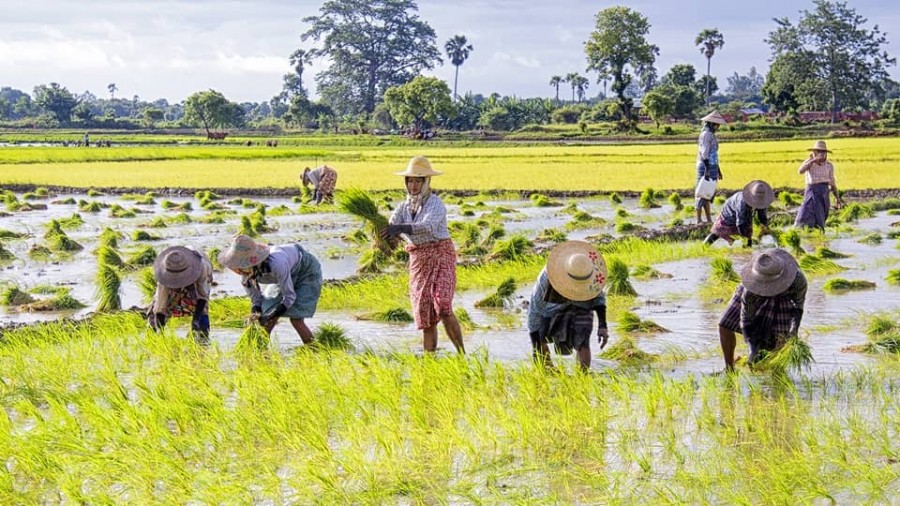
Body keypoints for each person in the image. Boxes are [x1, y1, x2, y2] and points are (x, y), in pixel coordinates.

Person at [381, 155, 465, 354]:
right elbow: (391, 226)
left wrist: (401, 228)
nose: (413, 185)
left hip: (440, 254)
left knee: (443, 305)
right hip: (418, 259)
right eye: (410, 180)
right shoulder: (403, 207)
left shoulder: (435, 203)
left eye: (418, 180)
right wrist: (385, 235)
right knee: (424, 311)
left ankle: (462, 354)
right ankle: (429, 358)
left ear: (427, 182)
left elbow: (427, 226)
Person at [219, 235, 323, 344]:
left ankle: (314, 349)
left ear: (248, 264)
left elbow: (289, 296)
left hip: (305, 271)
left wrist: (272, 315)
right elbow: (256, 299)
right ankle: (260, 350)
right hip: (283, 276)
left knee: (296, 320)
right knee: (266, 316)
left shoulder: (276, 264)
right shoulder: (246, 276)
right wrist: (256, 315)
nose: (233, 269)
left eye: (235, 265)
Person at [718, 248, 807, 370]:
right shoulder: (750, 288)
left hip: (783, 299)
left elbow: (798, 306)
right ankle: (729, 369)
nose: (768, 288)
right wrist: (752, 349)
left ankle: (776, 374)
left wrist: (794, 330)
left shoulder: (797, 281)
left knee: (780, 339)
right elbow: (746, 320)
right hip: (754, 295)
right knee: (724, 325)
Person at [526, 240, 609, 371]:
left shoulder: (590, 274)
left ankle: (583, 376)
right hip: (551, 308)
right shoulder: (547, 281)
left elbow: (599, 299)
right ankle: (547, 371)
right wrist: (537, 343)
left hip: (582, 305)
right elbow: (534, 315)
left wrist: (603, 326)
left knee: (582, 340)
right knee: (540, 336)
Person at [148, 246, 214, 342]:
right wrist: (160, 331)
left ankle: (203, 337)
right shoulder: (163, 275)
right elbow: (160, 304)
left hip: (199, 279)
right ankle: (152, 335)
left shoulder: (201, 267)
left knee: (202, 313)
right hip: (172, 283)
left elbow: (202, 296)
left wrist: (195, 320)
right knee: (156, 311)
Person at [704, 180, 775, 247]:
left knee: (748, 232)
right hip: (729, 211)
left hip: (743, 213)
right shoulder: (742, 203)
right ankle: (704, 247)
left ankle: (747, 252)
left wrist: (765, 227)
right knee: (718, 231)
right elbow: (741, 224)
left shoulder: (762, 202)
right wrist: (746, 239)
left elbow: (762, 217)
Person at [794, 140, 843, 230]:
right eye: (819, 151)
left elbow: (832, 183)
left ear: (826, 153)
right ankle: (802, 233)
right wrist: (813, 160)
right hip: (812, 193)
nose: (821, 153)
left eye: (823, 151)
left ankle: (818, 239)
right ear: (814, 152)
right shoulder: (810, 163)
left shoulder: (829, 165)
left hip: (824, 194)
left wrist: (837, 198)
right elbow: (800, 171)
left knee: (821, 219)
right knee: (805, 216)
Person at [696, 111, 727, 223]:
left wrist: (718, 170)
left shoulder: (711, 135)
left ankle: (708, 219)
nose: (718, 127)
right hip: (706, 166)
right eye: (717, 125)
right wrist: (707, 170)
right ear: (712, 124)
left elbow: (714, 155)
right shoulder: (706, 135)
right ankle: (699, 220)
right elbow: (704, 154)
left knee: (708, 193)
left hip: (712, 166)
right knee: (702, 192)